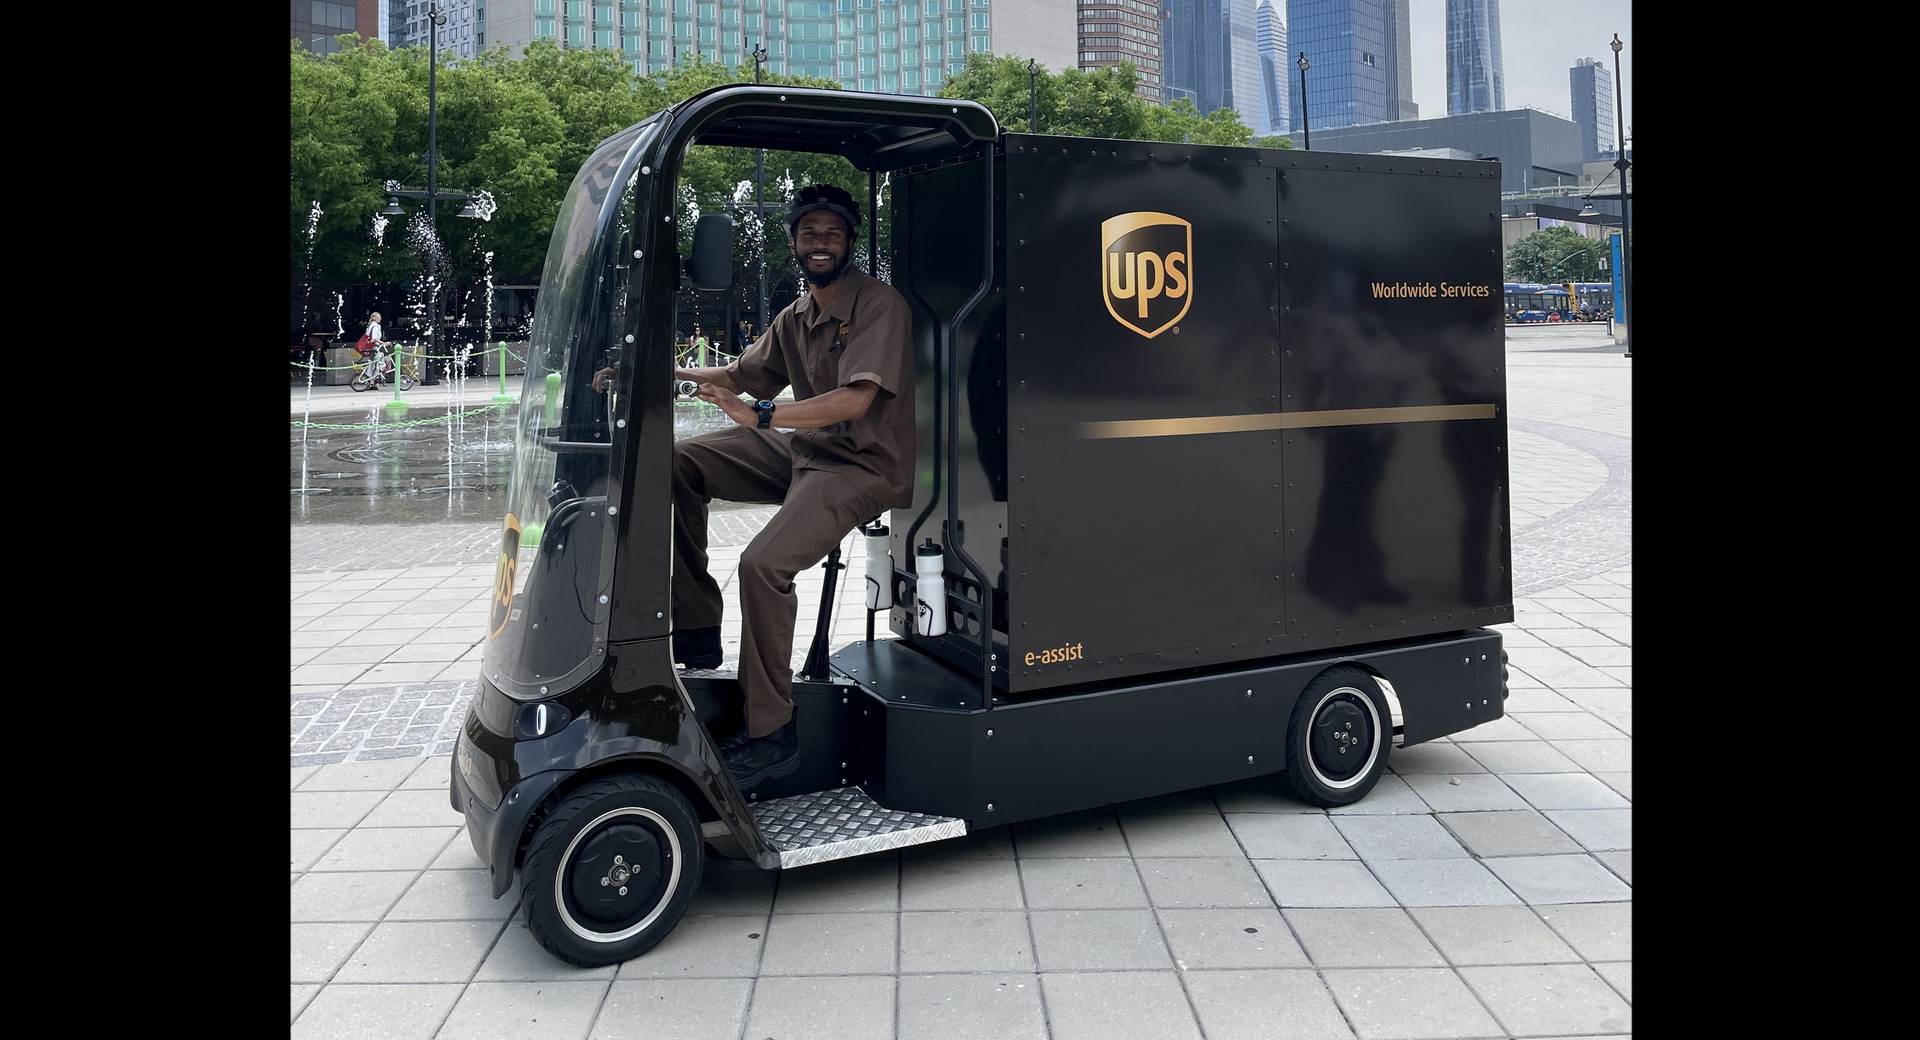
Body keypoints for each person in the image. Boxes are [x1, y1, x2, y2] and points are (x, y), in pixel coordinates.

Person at [671, 183, 916, 790]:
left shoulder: (879, 306)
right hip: (807, 450)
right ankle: (697, 628)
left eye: (833, 233)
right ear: (793, 242)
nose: (821, 243)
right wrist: (660, 369)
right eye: (810, 233)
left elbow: (856, 401)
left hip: (861, 463)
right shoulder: (797, 315)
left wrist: (761, 415)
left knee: (762, 565)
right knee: (676, 463)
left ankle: (772, 733)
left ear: (850, 242)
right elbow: (741, 374)